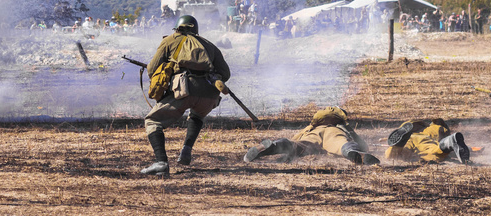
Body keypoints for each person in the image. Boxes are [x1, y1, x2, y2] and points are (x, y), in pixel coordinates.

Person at [140, 15, 230, 176]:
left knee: (153, 121)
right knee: (197, 115)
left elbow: (152, 69)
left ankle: (161, 163)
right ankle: (186, 150)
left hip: (183, 90)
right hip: (209, 95)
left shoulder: (170, 40)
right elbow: (225, 74)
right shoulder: (209, 45)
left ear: (177, 28)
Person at [243, 106, 379, 165]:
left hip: (312, 135)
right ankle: (352, 153)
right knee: (342, 144)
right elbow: (363, 145)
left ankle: (273, 146)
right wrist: (351, 133)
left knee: (295, 145)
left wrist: (287, 146)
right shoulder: (340, 126)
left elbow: (295, 139)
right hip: (334, 134)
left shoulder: (311, 127)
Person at [385, 118, 470, 164]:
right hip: (424, 137)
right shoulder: (435, 129)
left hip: (411, 135)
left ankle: (397, 145)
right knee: (432, 150)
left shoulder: (419, 125)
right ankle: (448, 142)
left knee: (393, 155)